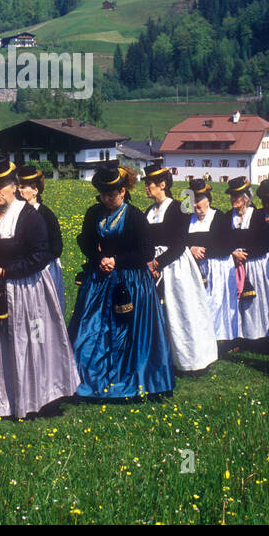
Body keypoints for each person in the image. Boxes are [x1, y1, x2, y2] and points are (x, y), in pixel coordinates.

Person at [0, 156, 79, 418]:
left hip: (26, 290)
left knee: (29, 342)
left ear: (14, 185)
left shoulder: (29, 216)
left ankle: (32, 397)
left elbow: (41, 255)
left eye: (1, 185)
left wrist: (5, 271)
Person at [68, 164, 174, 399]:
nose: (106, 199)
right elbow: (84, 241)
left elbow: (146, 252)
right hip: (99, 278)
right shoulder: (94, 213)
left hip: (132, 281)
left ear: (123, 191)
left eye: (112, 195)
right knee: (91, 328)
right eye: (103, 195)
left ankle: (133, 378)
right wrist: (99, 259)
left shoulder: (135, 216)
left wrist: (116, 261)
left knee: (128, 330)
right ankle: (86, 377)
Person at [142, 160, 217, 373]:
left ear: (163, 185)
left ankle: (190, 360)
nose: (147, 187)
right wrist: (149, 261)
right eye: (146, 183)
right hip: (153, 264)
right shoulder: (149, 211)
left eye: (151, 183)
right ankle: (160, 358)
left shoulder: (178, 209)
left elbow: (179, 243)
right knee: (157, 313)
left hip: (175, 265)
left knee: (182, 311)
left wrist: (159, 262)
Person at [226, 177, 269, 344]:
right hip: (235, 264)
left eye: (236, 196)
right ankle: (242, 337)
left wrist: (246, 255)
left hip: (256, 264)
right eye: (231, 196)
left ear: (246, 198)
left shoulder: (257, 215)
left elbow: (264, 241)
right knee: (239, 304)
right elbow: (223, 239)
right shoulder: (227, 217)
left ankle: (267, 336)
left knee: (261, 302)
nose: (232, 200)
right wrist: (233, 253)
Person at [184, 179, 234, 345]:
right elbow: (181, 241)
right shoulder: (187, 219)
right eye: (193, 201)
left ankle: (219, 339)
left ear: (208, 200)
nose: (195, 205)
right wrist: (191, 248)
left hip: (216, 266)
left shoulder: (219, 217)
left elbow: (226, 245)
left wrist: (204, 250)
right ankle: (200, 337)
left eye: (199, 200)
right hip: (194, 267)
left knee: (215, 302)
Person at [16, 165, 66, 315]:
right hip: (21, 268)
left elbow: (57, 247)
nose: (20, 190)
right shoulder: (16, 213)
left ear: (35, 190)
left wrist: (38, 259)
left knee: (43, 311)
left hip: (45, 269)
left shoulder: (45, 214)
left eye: (24, 187)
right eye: (19, 186)